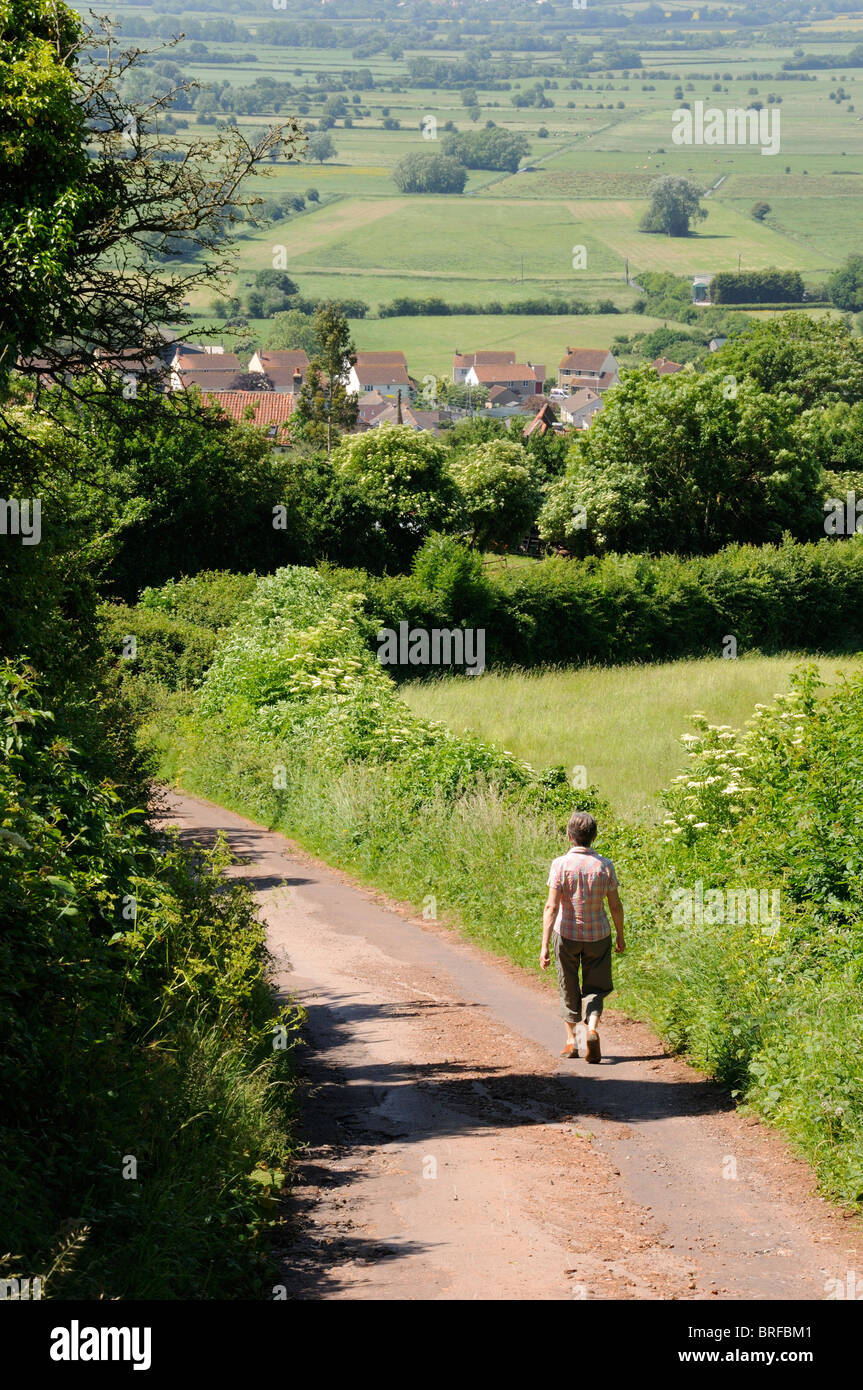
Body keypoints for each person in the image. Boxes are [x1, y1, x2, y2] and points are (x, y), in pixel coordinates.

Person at [540, 810, 625, 1063]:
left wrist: (544, 944)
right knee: (595, 988)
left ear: (569, 837)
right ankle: (592, 1029)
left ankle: (572, 1042)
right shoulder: (604, 865)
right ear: (594, 836)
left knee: (568, 985)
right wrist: (620, 935)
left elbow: (551, 907)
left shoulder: (560, 864)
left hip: (566, 934)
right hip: (598, 935)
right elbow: (615, 905)